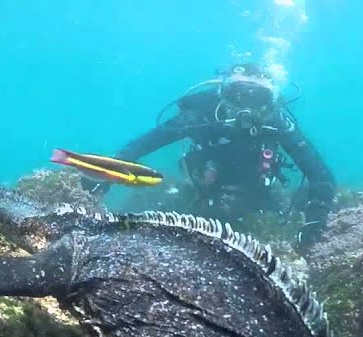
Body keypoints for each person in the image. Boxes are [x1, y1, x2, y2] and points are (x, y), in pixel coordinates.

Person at [85, 63, 337, 244]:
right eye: (238, 96)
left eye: (257, 98)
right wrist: (107, 173)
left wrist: (315, 220)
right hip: (202, 190)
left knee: (269, 228)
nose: (245, 108)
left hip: (260, 194)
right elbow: (142, 146)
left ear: (270, 103)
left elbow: (321, 176)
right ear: (223, 93)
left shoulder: (277, 123)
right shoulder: (201, 115)